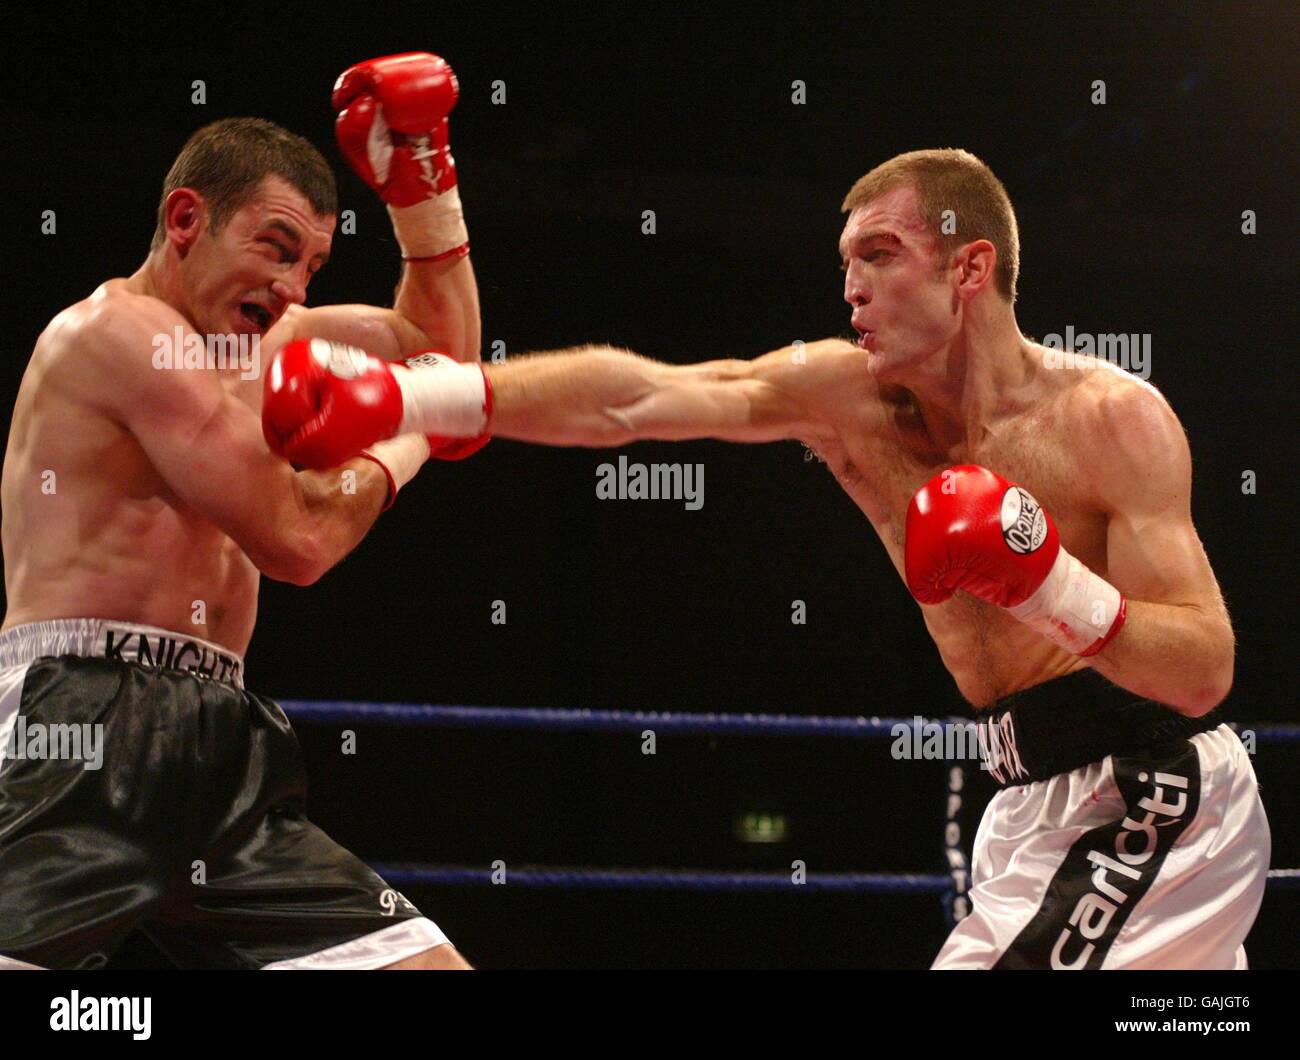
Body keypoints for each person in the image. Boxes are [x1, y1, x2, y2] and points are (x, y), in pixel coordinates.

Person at [270, 148, 1270, 970]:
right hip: (1019, 798)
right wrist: (413, 401)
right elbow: (650, 396)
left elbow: (1203, 671)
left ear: (969, 269)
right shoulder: (850, 395)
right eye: (845, 261)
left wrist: (1044, 577)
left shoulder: (1109, 420)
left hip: (1152, 788)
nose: (851, 287)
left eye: (881, 254)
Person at [0, 52, 482, 969]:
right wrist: (408, 439)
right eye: (274, 246)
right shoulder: (116, 337)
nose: (295, 288)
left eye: (312, 262)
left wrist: (425, 190)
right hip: (75, 725)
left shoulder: (268, 333)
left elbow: (445, 356)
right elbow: (299, 540)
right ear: (187, 219)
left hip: (220, 733)